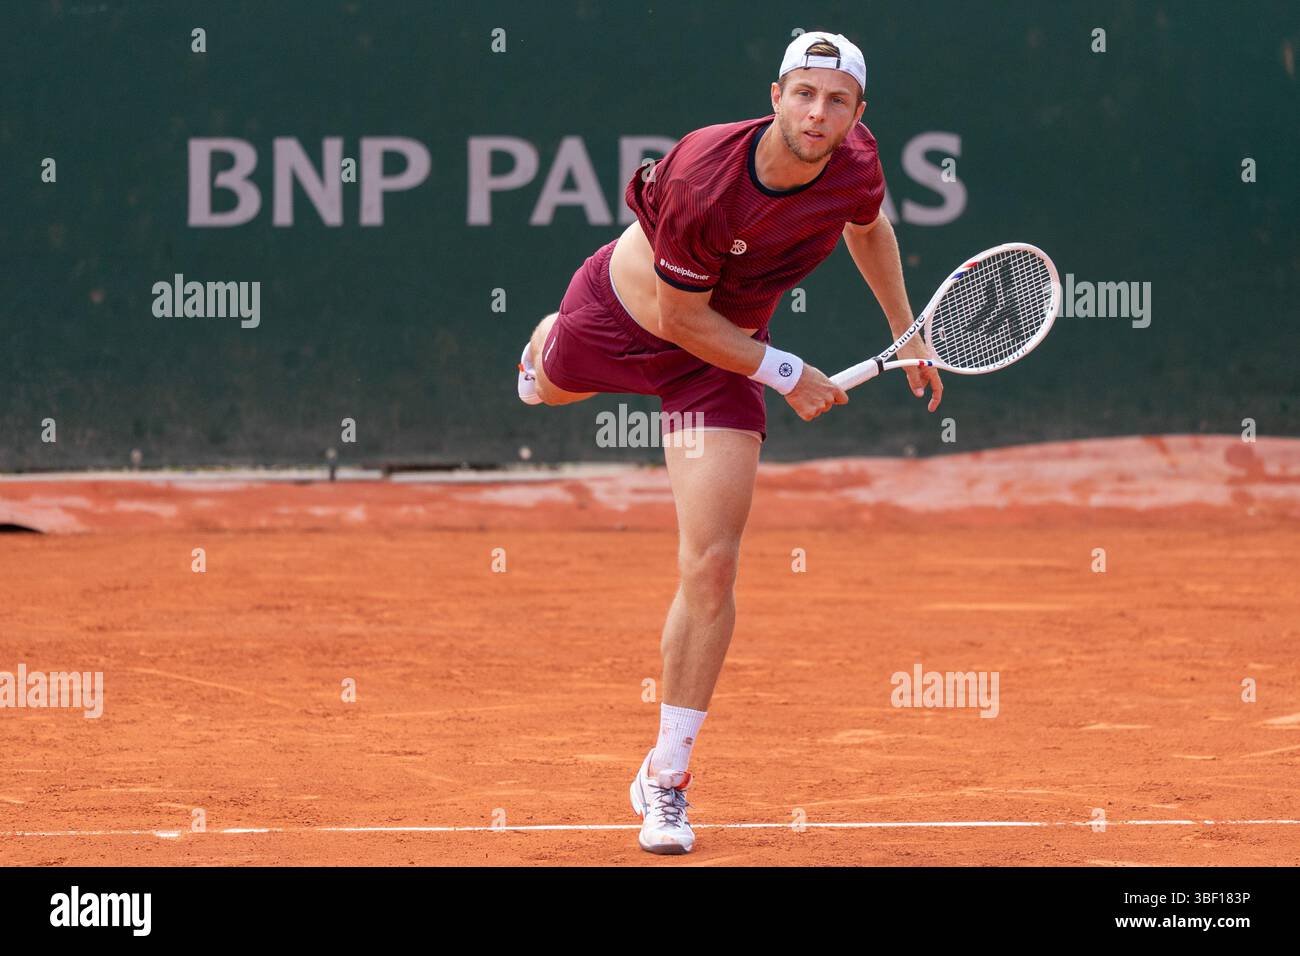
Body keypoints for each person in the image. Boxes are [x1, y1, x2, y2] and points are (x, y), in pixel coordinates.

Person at [516, 31, 942, 855]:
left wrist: (908, 329)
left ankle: (666, 778)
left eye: (838, 101)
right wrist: (790, 372)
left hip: (719, 363)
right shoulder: (705, 173)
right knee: (551, 386)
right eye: (805, 94)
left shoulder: (855, 161)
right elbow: (679, 318)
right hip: (621, 318)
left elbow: (870, 227)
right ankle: (544, 344)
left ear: (859, 113)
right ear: (776, 94)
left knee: (711, 560)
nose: (820, 114)